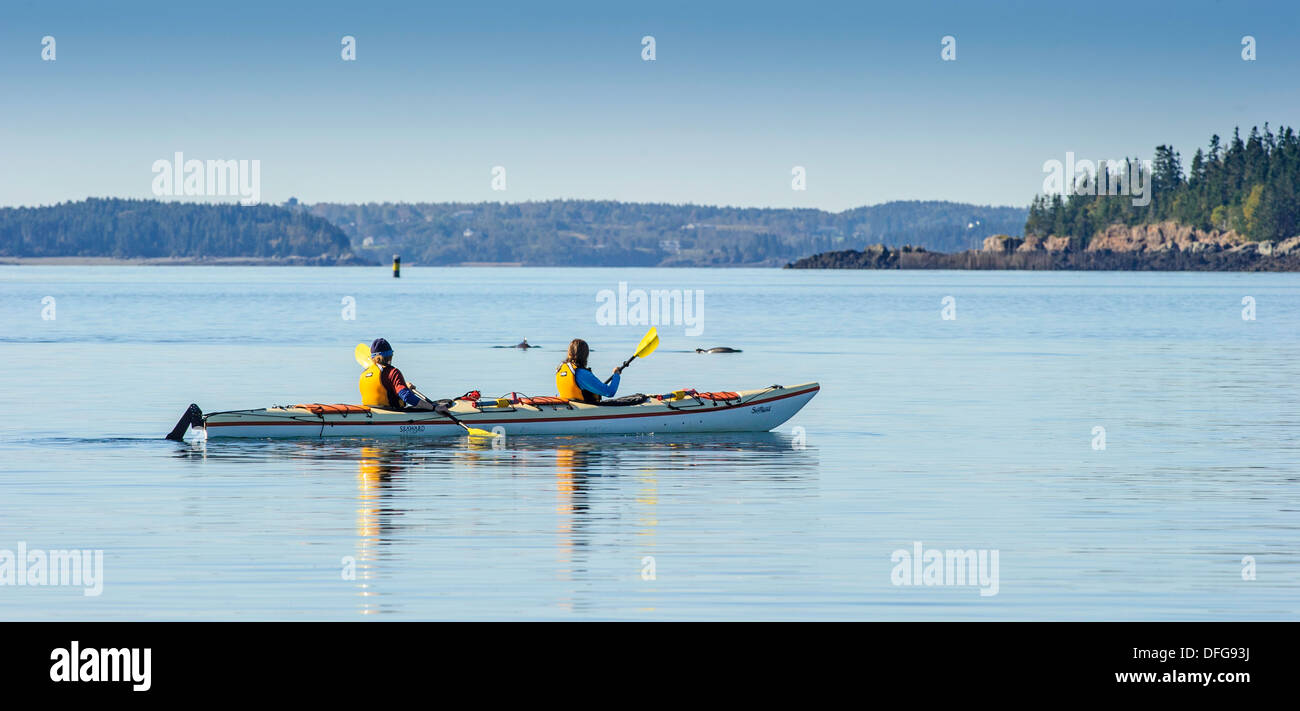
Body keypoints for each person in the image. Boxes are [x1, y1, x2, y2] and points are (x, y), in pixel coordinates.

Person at [359, 338, 424, 409]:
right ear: (390, 355)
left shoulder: (364, 373)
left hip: (371, 410)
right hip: (392, 412)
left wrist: (405, 387)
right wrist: (432, 407)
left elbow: (384, 387)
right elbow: (406, 396)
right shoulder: (393, 372)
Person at [556, 338, 622, 404]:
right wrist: (616, 375)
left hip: (568, 404)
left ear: (569, 353)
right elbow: (610, 392)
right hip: (583, 409)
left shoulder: (560, 369)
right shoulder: (582, 373)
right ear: (585, 355)